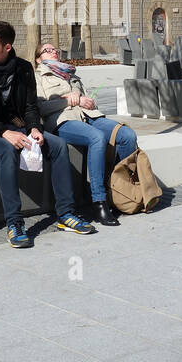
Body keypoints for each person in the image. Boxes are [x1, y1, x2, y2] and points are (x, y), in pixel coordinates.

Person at [0, 21, 94, 249]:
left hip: (20, 127)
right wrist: (4, 132)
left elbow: (30, 107)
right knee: (7, 151)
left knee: (57, 145)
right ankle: (14, 223)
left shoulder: (23, 69)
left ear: (7, 47)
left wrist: (35, 127)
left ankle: (66, 213)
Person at [34, 42, 137, 227]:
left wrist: (88, 102)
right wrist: (66, 102)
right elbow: (40, 107)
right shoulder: (38, 76)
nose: (53, 52)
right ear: (38, 58)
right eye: (46, 50)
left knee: (127, 135)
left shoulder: (71, 74)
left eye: (54, 49)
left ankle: (117, 190)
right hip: (63, 120)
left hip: (88, 115)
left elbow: (89, 100)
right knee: (97, 137)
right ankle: (99, 202)